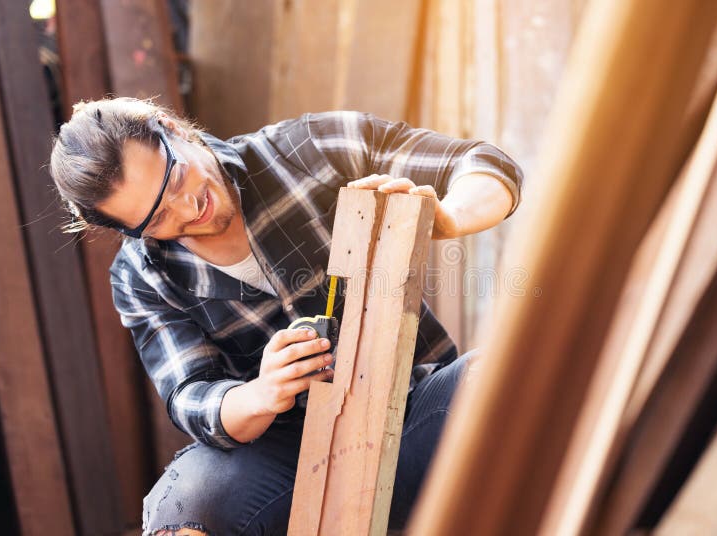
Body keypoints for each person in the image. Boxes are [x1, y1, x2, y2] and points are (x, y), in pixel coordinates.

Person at [49, 97, 523, 535]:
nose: (188, 209)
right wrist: (262, 393)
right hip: (284, 458)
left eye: (175, 180)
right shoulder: (140, 276)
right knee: (185, 511)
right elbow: (190, 397)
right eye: (157, 219)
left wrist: (444, 217)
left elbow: (486, 164)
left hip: (413, 410)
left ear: (173, 130)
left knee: (506, 379)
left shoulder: (309, 149)